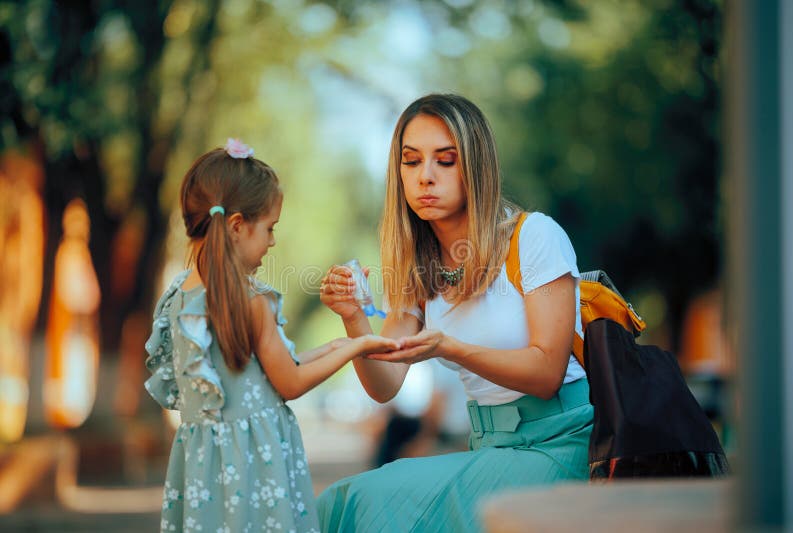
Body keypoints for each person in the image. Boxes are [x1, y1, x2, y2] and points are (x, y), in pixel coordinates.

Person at [318, 94, 594, 532]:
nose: (425, 177)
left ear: (476, 167)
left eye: (445, 161)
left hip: (562, 443)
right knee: (350, 501)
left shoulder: (534, 236)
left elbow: (547, 373)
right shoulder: (418, 267)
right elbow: (386, 385)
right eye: (411, 162)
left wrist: (453, 348)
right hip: (488, 448)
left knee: (362, 501)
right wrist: (354, 319)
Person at [144, 139, 401, 533]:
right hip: (255, 470)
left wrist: (341, 344)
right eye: (269, 228)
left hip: (207, 478)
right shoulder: (251, 302)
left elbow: (270, 369)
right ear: (236, 226)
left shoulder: (179, 300)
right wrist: (360, 346)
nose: (273, 241)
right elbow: (291, 381)